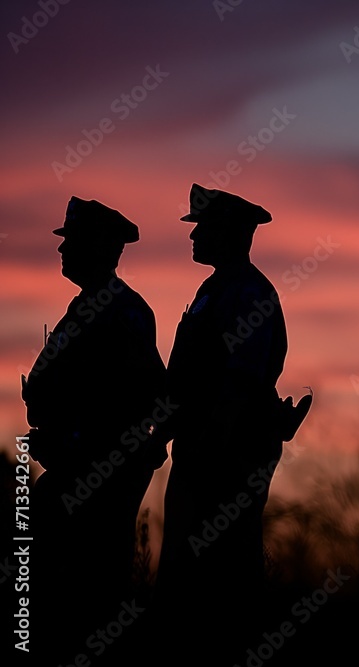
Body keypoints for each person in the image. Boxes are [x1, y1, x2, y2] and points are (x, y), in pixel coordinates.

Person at [155, 184, 307, 662]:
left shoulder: (248, 292)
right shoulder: (216, 288)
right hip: (204, 443)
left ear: (233, 233)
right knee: (189, 567)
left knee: (225, 569)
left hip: (227, 449)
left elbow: (238, 382)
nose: (195, 234)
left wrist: (211, 444)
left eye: (205, 226)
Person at [21, 196, 168, 665]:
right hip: (69, 470)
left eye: (73, 243)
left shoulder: (123, 312)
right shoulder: (84, 306)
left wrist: (110, 456)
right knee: (47, 586)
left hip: (98, 478)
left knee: (93, 598)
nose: (62, 252)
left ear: (101, 250)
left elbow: (145, 397)